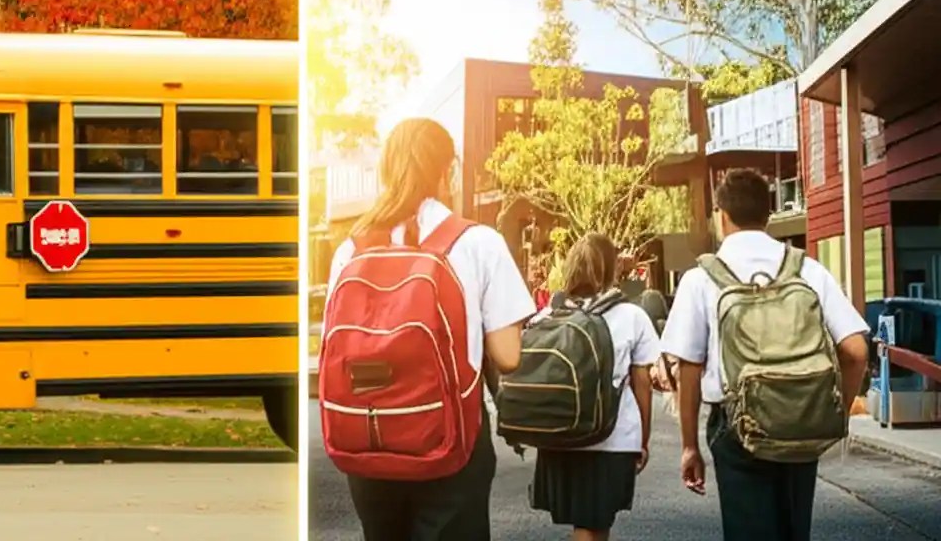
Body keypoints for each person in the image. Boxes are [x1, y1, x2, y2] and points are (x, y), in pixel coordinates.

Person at [324, 118, 536, 541]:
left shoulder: (351, 249)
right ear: (448, 170)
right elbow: (508, 356)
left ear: (387, 170)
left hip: (368, 439)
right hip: (449, 441)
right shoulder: (477, 242)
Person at [661, 168, 871, 541]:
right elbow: (855, 351)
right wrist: (834, 415)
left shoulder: (701, 278)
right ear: (768, 216)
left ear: (720, 216)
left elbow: (688, 369)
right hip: (802, 416)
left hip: (736, 424)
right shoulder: (807, 269)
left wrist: (690, 447)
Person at [529, 233, 660, 541]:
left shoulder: (547, 316)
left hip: (559, 436)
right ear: (610, 269)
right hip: (610, 438)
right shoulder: (631, 316)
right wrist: (642, 439)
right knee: (593, 526)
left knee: (586, 525)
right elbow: (643, 383)